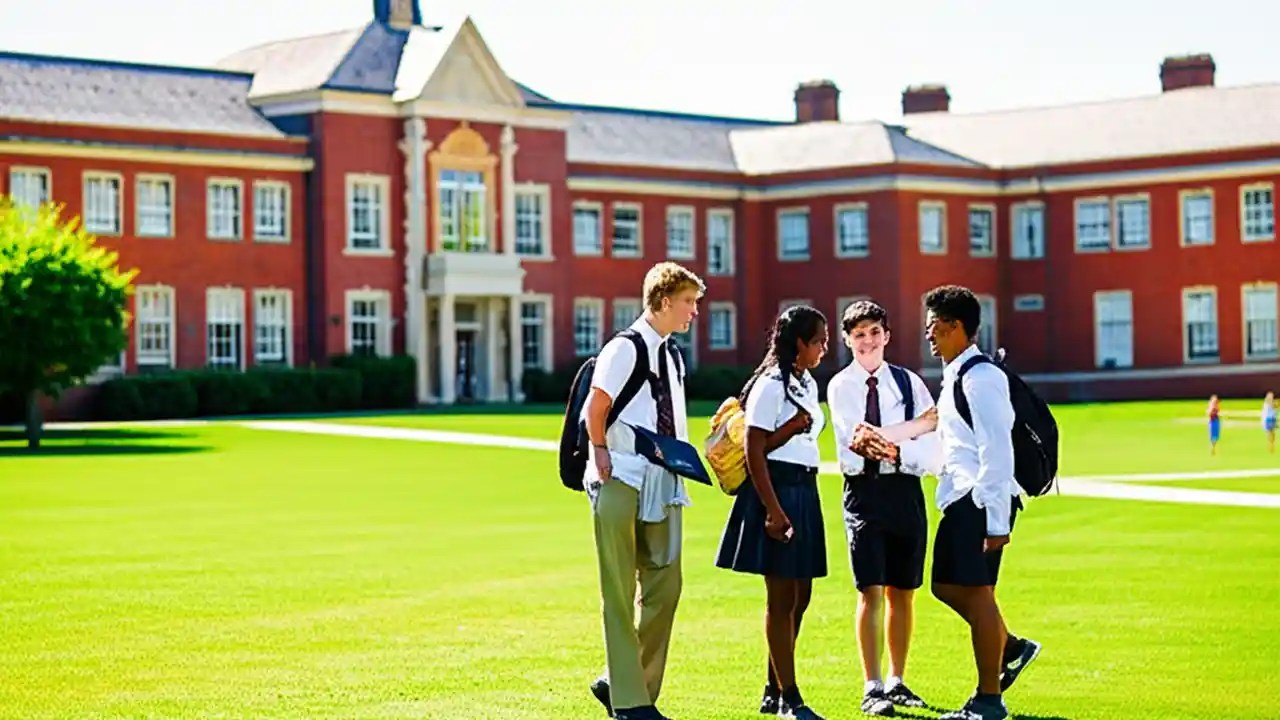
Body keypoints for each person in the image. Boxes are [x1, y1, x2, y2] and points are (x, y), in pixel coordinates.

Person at [582, 262, 704, 720]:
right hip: (619, 478)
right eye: (689, 302)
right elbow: (597, 406)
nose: (694, 311)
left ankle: (624, 684)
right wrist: (599, 452)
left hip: (662, 483)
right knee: (617, 590)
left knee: (665, 587)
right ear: (664, 300)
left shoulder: (672, 354)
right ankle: (633, 705)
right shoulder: (624, 348)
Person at [922, 285, 1041, 720]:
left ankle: (989, 698)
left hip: (980, 500)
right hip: (962, 499)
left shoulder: (982, 377)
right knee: (947, 587)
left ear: (955, 327)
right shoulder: (956, 374)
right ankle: (1008, 646)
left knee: (976, 595)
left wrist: (995, 522)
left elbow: (997, 452)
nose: (928, 334)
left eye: (933, 326)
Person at [715, 305, 831, 720]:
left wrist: (799, 425)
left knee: (802, 596)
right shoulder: (770, 384)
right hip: (777, 491)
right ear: (799, 343)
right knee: (781, 599)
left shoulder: (806, 381)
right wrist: (773, 510)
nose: (824, 347)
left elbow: (801, 431)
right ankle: (791, 699)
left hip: (804, 488)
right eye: (819, 340)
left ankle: (773, 687)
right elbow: (754, 449)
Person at [827, 300, 940, 716]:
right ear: (847, 340)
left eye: (875, 332)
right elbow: (856, 440)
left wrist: (895, 445)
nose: (868, 341)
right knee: (869, 589)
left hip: (905, 492)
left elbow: (933, 440)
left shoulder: (909, 383)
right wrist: (909, 434)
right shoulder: (841, 386)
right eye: (859, 335)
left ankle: (897, 680)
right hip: (864, 492)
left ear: (887, 335)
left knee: (903, 591)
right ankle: (871, 685)